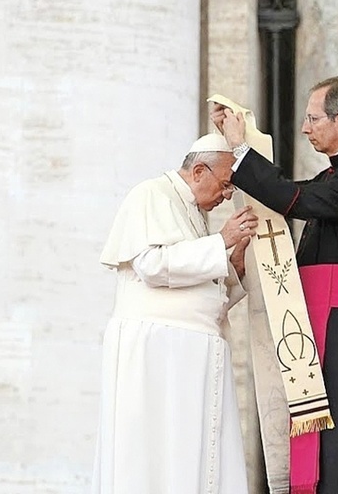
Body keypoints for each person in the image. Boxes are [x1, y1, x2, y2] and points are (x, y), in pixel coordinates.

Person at [211, 76, 338, 493]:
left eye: (313, 118)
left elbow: (293, 201)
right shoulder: (337, 176)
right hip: (311, 315)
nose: (304, 127)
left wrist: (242, 148)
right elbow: (288, 191)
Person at [92, 133, 259, 494]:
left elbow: (197, 289)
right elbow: (152, 265)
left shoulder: (194, 214)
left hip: (189, 355)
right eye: (226, 185)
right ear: (199, 171)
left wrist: (234, 268)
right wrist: (221, 242)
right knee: (154, 464)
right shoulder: (150, 194)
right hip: (157, 356)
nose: (228, 195)